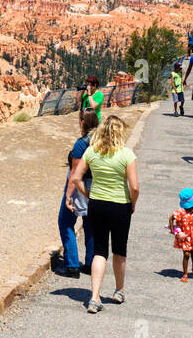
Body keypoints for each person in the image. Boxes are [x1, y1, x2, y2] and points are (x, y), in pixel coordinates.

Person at [69, 115, 139, 314]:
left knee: (100, 250)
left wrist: (89, 194)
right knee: (119, 250)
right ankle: (118, 290)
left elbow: (75, 177)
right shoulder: (127, 155)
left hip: (97, 205)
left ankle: (94, 297)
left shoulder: (92, 151)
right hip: (120, 206)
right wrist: (132, 204)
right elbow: (134, 187)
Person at [56, 111, 99, 278]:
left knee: (65, 222)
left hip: (79, 187)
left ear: (83, 122)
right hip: (94, 187)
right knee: (89, 224)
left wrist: (68, 196)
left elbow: (75, 172)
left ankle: (72, 265)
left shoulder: (81, 144)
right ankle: (89, 263)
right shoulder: (100, 141)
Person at [168, 188, 193, 282]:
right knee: (186, 254)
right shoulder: (180, 211)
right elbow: (171, 218)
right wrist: (172, 230)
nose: (192, 206)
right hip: (184, 236)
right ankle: (185, 273)